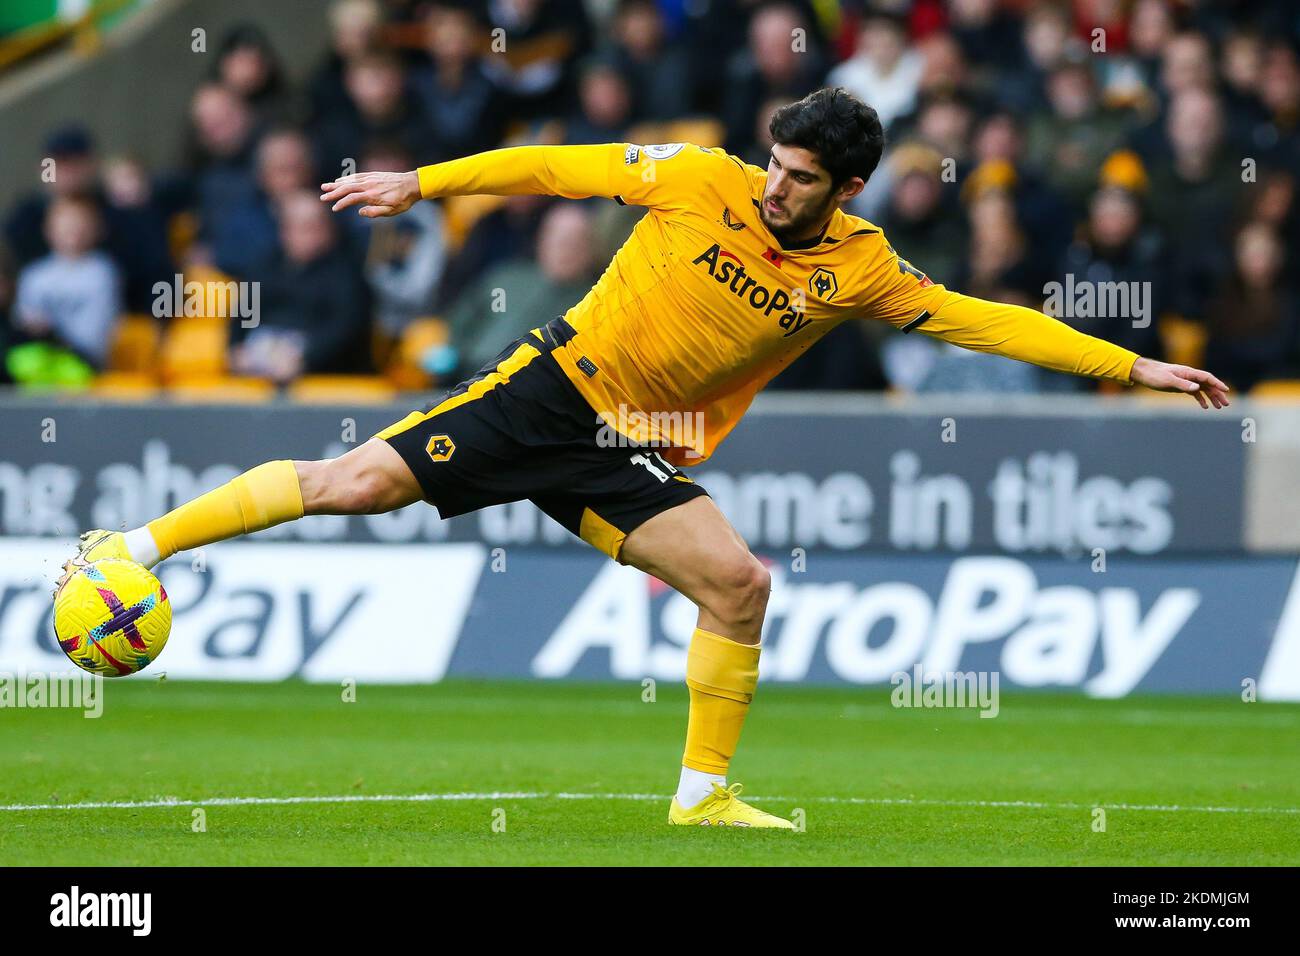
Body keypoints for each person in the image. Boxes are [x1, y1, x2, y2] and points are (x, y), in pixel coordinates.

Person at [65, 87, 1230, 828]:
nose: (775, 187)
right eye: (773, 165)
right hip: (550, 388)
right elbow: (556, 166)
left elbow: (989, 318)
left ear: (850, 192)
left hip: (631, 446)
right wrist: (420, 183)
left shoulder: (863, 266)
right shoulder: (696, 178)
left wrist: (1133, 367)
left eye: (801, 179)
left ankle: (701, 795)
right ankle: (137, 543)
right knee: (353, 485)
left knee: (740, 582)